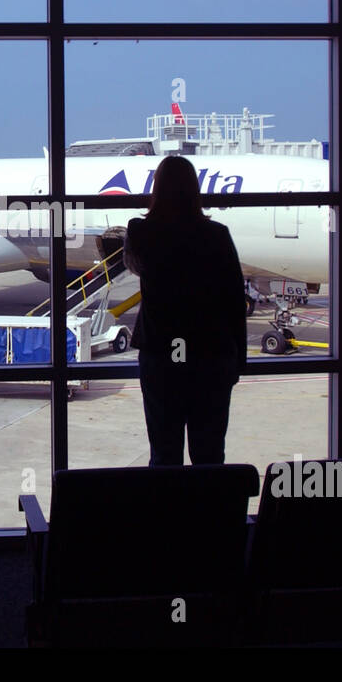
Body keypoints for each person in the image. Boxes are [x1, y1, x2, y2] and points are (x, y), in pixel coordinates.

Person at [123, 155, 247, 466]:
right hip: (211, 356)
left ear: (157, 190)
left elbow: (134, 265)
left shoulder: (140, 231)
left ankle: (170, 515)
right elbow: (234, 300)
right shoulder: (217, 235)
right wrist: (238, 361)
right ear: (195, 191)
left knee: (164, 454)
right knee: (209, 455)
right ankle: (211, 515)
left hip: (163, 356)